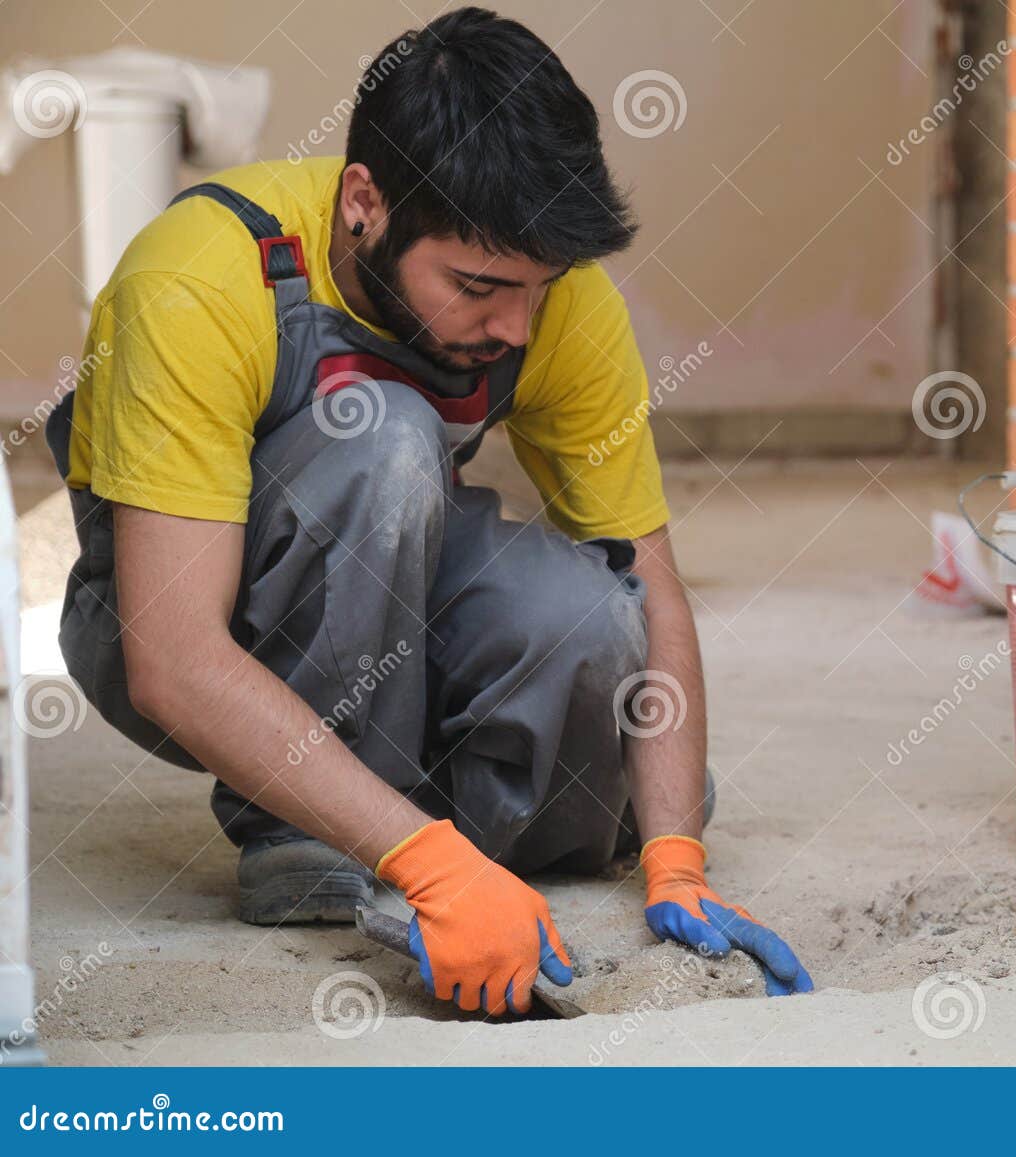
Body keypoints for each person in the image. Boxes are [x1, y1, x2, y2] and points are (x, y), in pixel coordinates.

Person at [43, 6, 812, 1014]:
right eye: (478, 287)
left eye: (539, 289)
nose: (516, 325)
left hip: (389, 564)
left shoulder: (544, 295)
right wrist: (422, 861)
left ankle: (408, 826)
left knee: (589, 628)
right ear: (365, 201)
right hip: (171, 615)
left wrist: (673, 854)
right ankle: (316, 837)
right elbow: (173, 658)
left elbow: (651, 581)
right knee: (384, 435)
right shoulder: (197, 279)